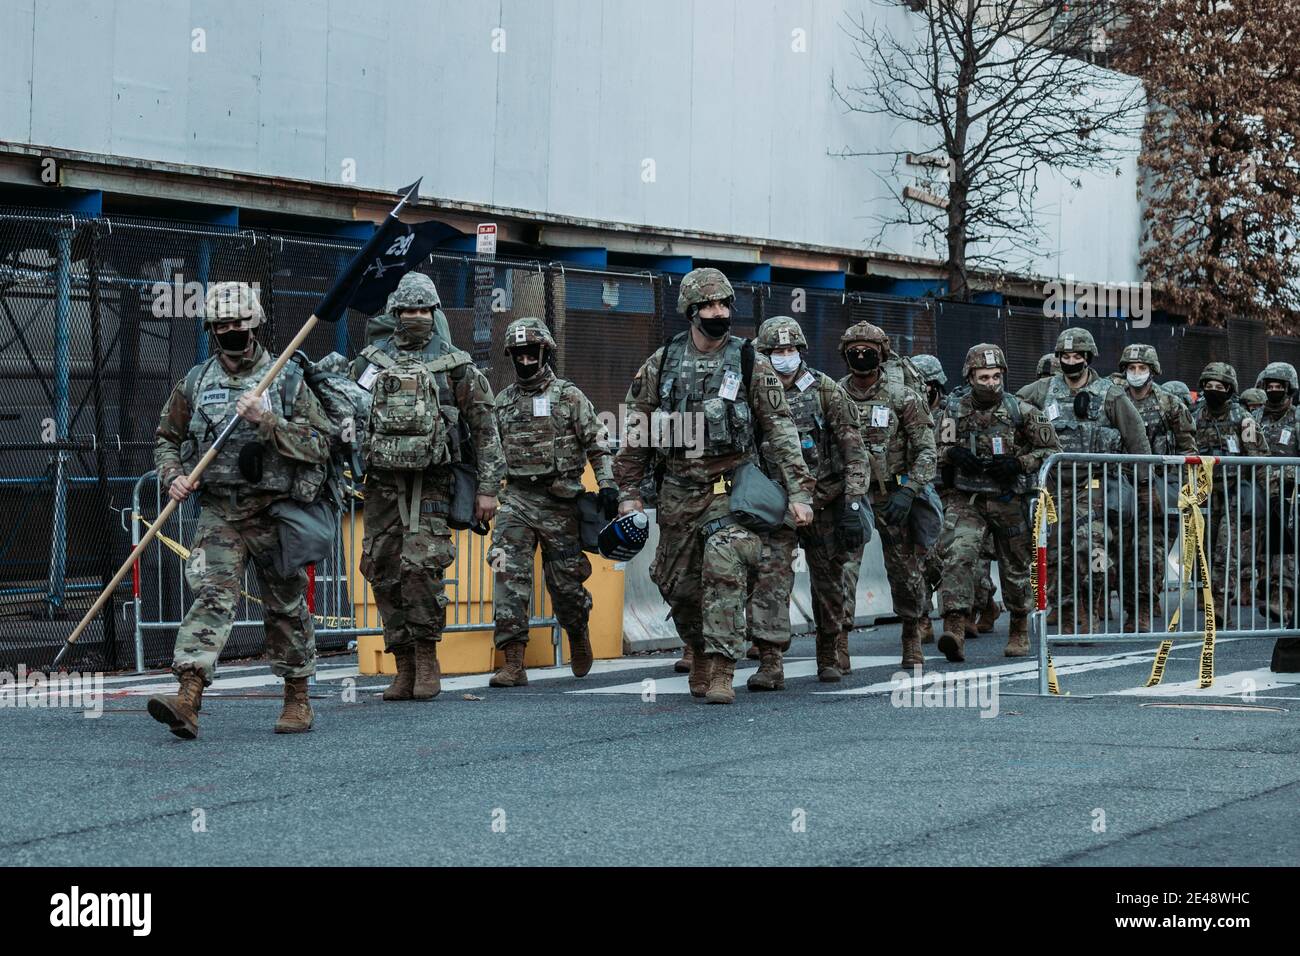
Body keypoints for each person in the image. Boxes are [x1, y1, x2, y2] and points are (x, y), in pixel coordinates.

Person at [613, 268, 813, 704]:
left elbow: (780, 428)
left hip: (730, 487)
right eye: (709, 305)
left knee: (724, 567)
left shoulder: (748, 362)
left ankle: (723, 668)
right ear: (691, 310)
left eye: (724, 304)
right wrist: (628, 493)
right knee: (677, 583)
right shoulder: (661, 364)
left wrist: (799, 492)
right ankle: (699, 648)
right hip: (678, 492)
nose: (718, 312)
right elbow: (636, 432)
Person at [148, 282, 333, 739]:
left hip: (275, 512)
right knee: (212, 596)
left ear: (254, 323)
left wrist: (266, 422)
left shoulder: (286, 377)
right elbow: (166, 439)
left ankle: (297, 698)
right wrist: (171, 474)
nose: (231, 331)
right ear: (211, 329)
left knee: (286, 606)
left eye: (238, 323)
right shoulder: (195, 381)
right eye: (222, 325)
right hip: (219, 513)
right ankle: (188, 698)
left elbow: (320, 443)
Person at [350, 272, 504, 702]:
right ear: (394, 313)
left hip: (433, 483)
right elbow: (347, 414)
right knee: (382, 571)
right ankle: (402, 665)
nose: (414, 317)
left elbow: (484, 428)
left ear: (434, 314)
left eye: (422, 310)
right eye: (406, 310)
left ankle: (426, 658)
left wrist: (488, 489)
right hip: (381, 486)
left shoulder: (457, 365)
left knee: (421, 570)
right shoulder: (369, 363)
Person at [488, 317, 617, 687]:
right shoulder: (504, 402)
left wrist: (607, 484)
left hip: (560, 503)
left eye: (533, 352)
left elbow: (597, 441)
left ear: (545, 352)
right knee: (507, 574)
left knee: (566, 585)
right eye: (519, 353)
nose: (526, 360)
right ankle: (513, 661)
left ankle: (577, 629)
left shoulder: (569, 397)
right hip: (516, 500)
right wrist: (484, 493)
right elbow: (489, 452)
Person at [750, 316, 869, 685]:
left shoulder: (826, 390)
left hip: (825, 501)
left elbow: (855, 451)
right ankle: (770, 662)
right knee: (770, 579)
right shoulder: (753, 390)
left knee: (829, 581)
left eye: (790, 350)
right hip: (775, 502)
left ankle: (829, 652)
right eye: (776, 351)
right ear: (764, 354)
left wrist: (852, 503)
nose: (785, 357)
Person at [1018, 328, 1151, 633]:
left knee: (1091, 546)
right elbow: (1010, 409)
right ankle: (1066, 612)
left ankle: (1090, 605)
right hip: (1053, 487)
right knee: (1054, 552)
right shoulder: (1042, 390)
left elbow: (1137, 438)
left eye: (1078, 356)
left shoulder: (1109, 393)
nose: (1071, 361)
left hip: (1094, 485)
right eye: (1066, 356)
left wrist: (1144, 486)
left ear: (1088, 358)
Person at [936, 345, 1059, 659]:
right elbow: (934, 446)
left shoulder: (1022, 410)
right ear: (971, 377)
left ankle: (1018, 626)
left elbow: (1050, 450)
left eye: (995, 376)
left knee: (1015, 567)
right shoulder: (954, 409)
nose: (991, 383)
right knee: (958, 555)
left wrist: (1019, 463)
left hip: (1008, 498)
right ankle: (955, 627)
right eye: (983, 377)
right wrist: (952, 454)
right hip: (967, 498)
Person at [837, 322, 937, 669]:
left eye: (868, 350)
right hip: (851, 497)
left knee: (905, 572)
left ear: (882, 354)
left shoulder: (903, 397)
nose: (861, 355)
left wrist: (909, 491)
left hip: (895, 496)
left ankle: (912, 634)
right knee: (842, 569)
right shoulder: (835, 395)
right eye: (854, 349)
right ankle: (838, 641)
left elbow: (927, 450)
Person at [1109, 344, 1196, 631]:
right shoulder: (1113, 399)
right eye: (1131, 368)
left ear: (1152, 371)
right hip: (1121, 484)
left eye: (1141, 368)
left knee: (1149, 553)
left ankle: (1143, 610)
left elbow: (1188, 448)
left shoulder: (1170, 404)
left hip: (1158, 488)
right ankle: (1128, 606)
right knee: (1120, 550)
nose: (1136, 374)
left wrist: (1178, 489)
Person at [1192, 362, 1269, 626]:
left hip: (1234, 494)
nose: (1214, 390)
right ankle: (1208, 598)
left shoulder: (1242, 418)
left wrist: (1267, 493)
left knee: (1226, 551)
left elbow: (1258, 457)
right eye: (1209, 386)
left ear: (1229, 389)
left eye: (1220, 386)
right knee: (1205, 548)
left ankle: (1220, 605)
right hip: (1204, 494)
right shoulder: (1196, 415)